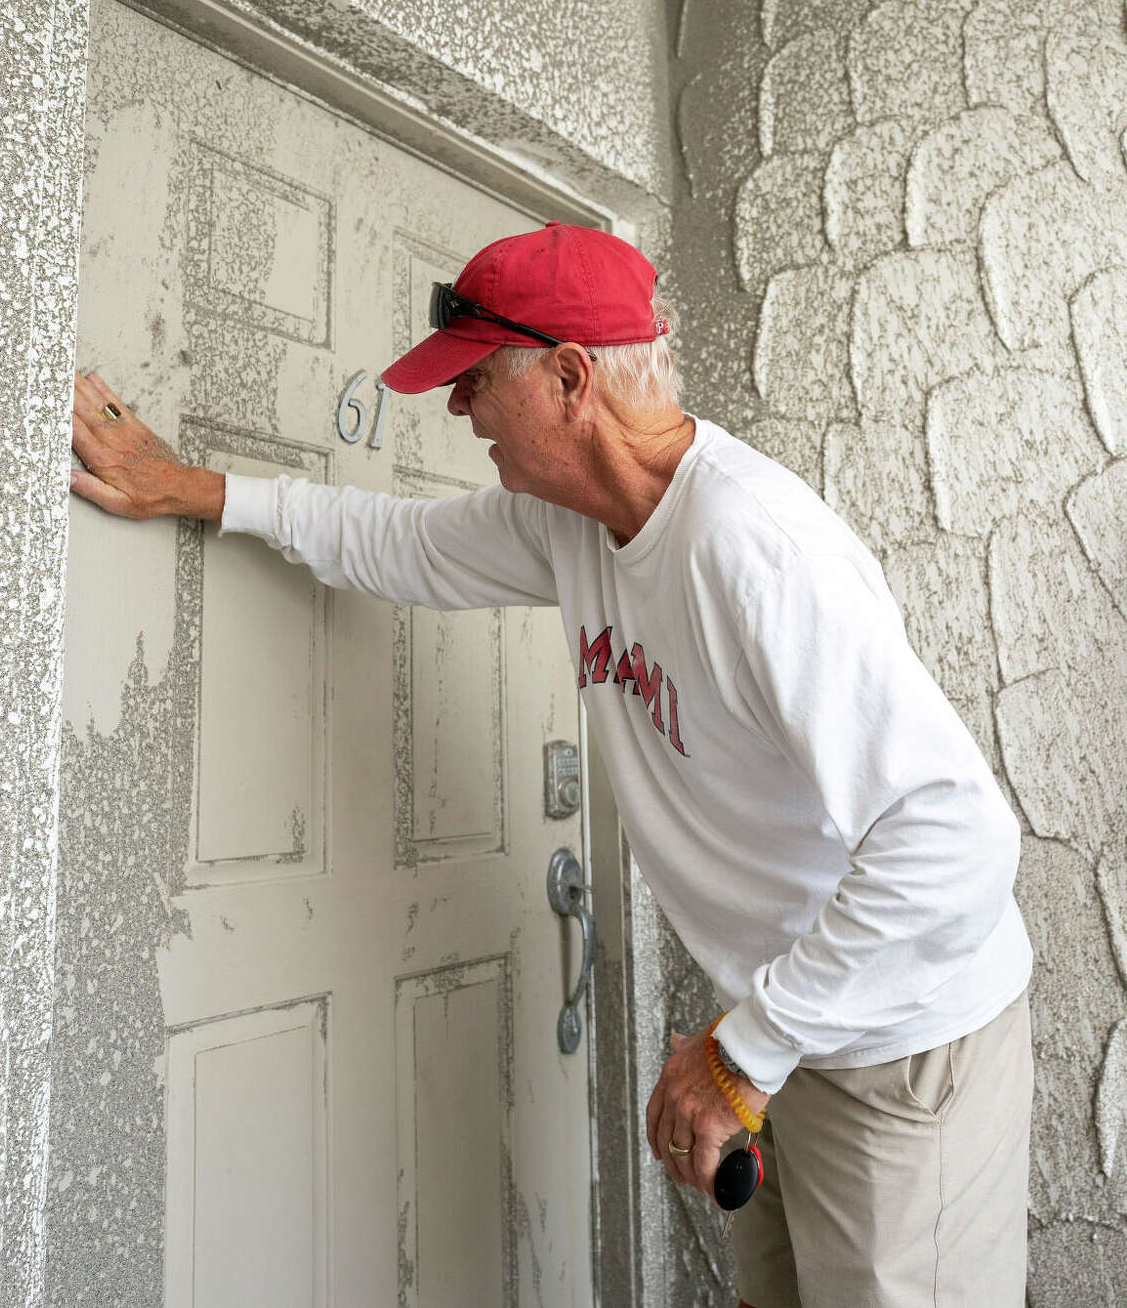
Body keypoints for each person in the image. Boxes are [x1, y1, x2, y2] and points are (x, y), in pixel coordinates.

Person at [68, 221, 1033, 1307]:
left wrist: (744, 1046)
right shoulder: (571, 525)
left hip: (901, 1045)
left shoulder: (751, 545)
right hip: (783, 1037)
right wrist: (185, 487)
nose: (456, 408)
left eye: (476, 379)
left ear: (570, 377)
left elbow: (953, 839)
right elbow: (396, 542)